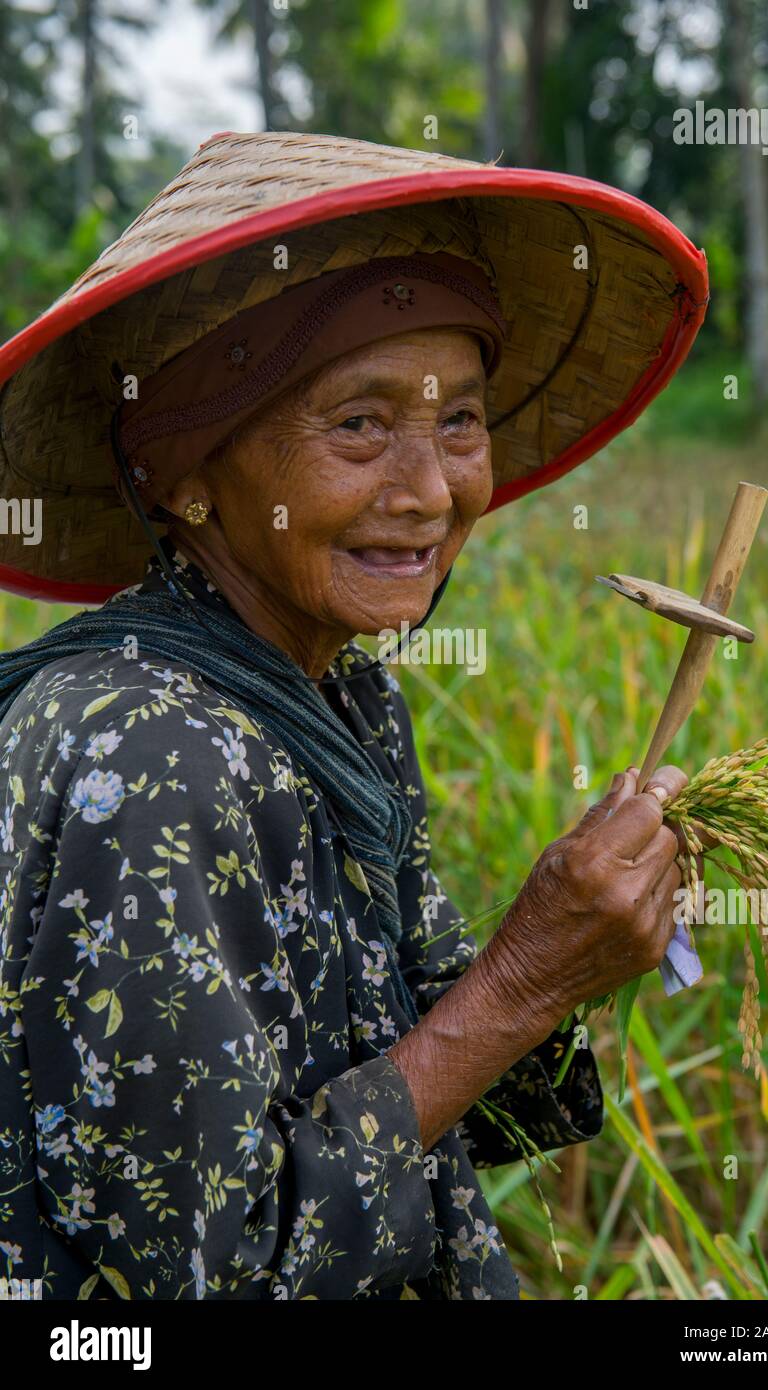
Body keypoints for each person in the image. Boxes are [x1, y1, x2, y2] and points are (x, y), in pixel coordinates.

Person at [0, 130, 709, 1300]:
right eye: (360, 426)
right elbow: (214, 1273)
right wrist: (526, 977)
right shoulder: (149, 749)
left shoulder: (337, 696)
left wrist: (580, 929)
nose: (431, 491)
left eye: (460, 422)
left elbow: (435, 1068)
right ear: (188, 474)